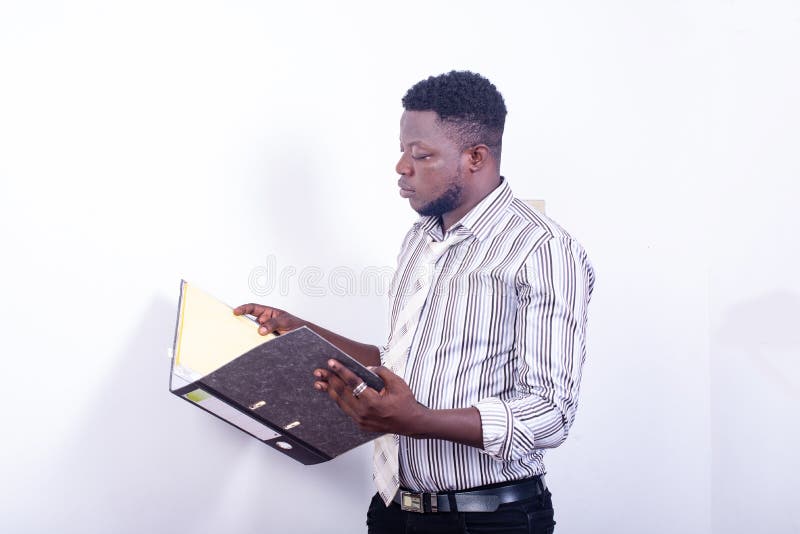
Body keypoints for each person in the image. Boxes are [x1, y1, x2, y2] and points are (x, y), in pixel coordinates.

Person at [234, 71, 594, 534]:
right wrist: (298, 329)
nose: (401, 166)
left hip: (488, 521)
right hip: (392, 512)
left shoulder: (542, 249)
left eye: (420, 155)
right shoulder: (421, 238)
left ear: (475, 157)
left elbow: (550, 413)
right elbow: (399, 365)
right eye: (403, 150)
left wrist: (418, 420)